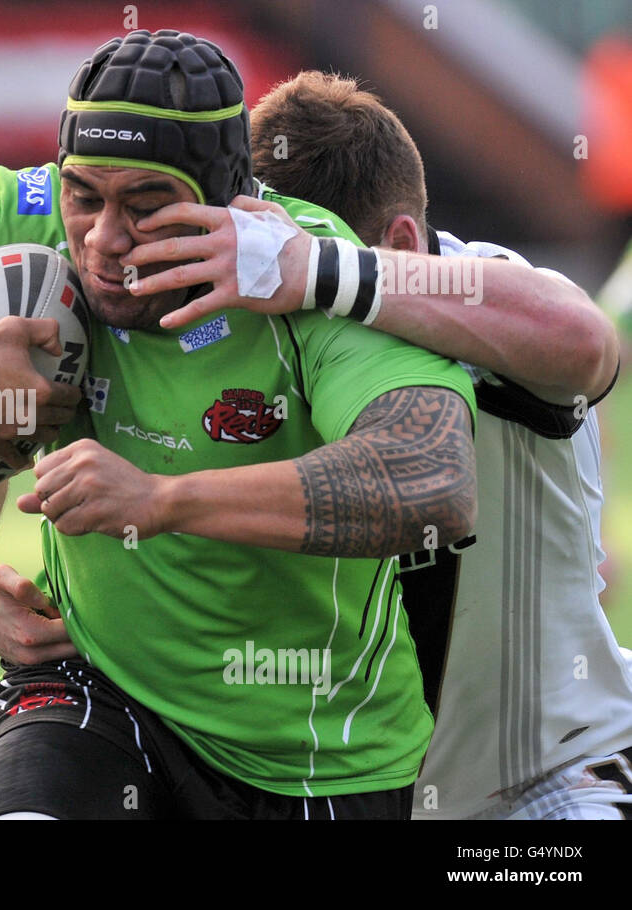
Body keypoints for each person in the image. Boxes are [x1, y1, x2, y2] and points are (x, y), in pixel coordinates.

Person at [0, 30, 478, 819]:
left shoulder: (311, 274)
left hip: (321, 752)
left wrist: (162, 500)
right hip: (93, 691)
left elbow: (431, 480)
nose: (103, 238)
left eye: (147, 207)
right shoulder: (29, 214)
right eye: (83, 194)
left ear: (229, 197)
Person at [131, 69, 630, 819]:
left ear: (396, 243)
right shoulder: (233, 305)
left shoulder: (476, 286)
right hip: (343, 794)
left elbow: (583, 339)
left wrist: (313, 271)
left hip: (545, 781)